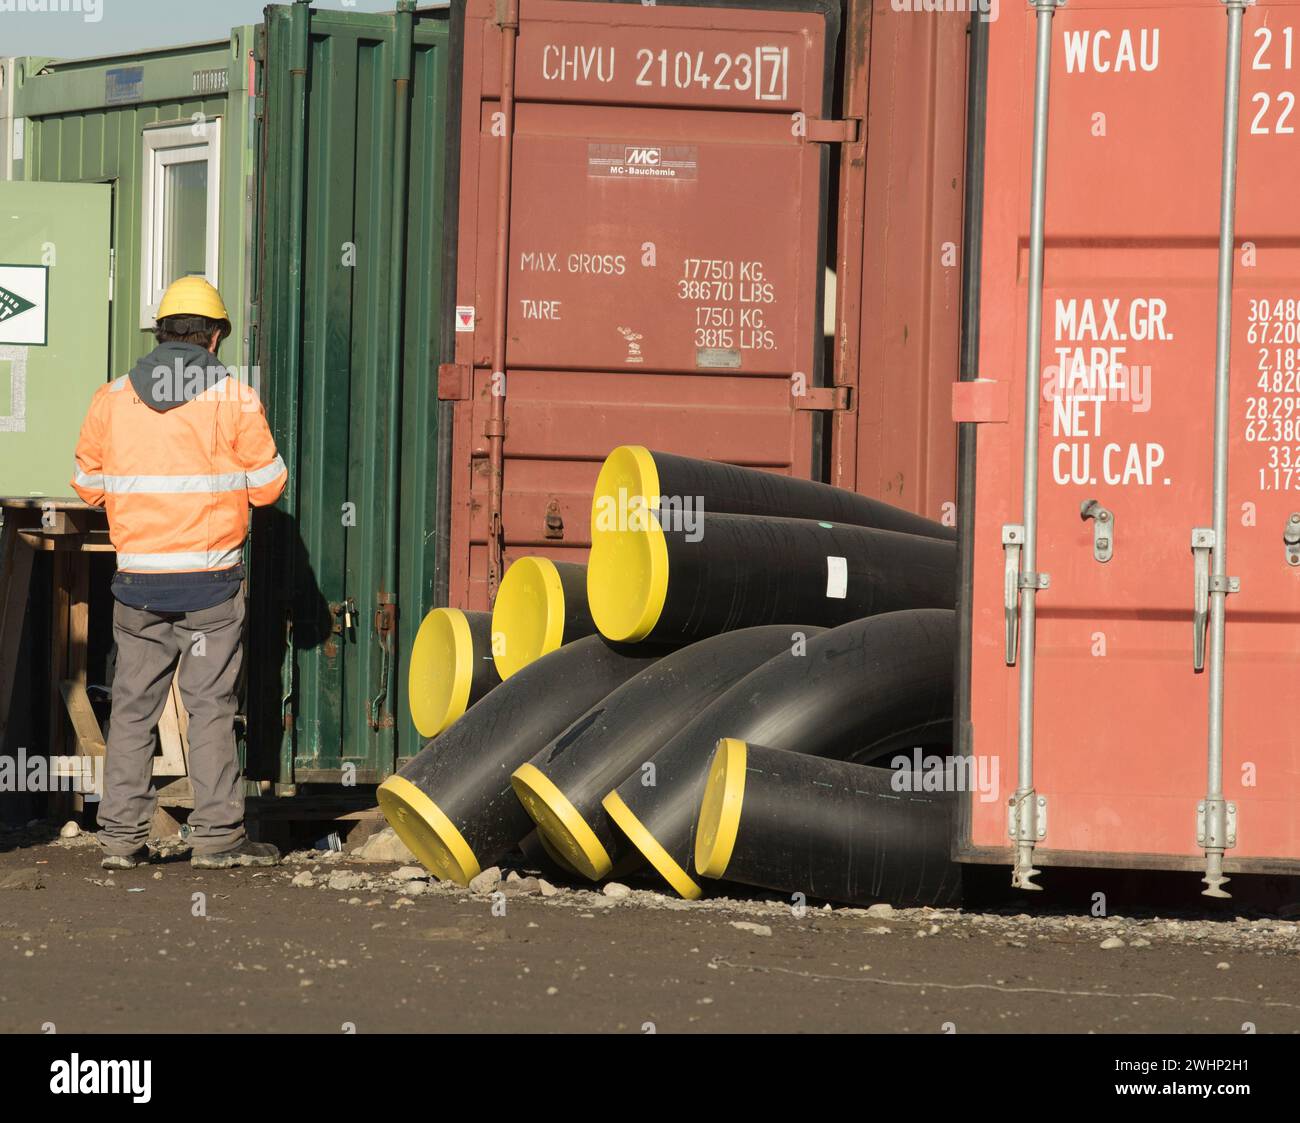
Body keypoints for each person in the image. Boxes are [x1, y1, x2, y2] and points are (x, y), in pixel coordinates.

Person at [70, 276, 287, 870]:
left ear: (161, 333)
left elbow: (88, 487)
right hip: (211, 583)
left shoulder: (112, 397)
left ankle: (118, 839)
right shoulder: (236, 399)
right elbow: (268, 490)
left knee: (134, 706)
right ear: (214, 337)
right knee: (210, 704)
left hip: (138, 583)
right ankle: (216, 838)